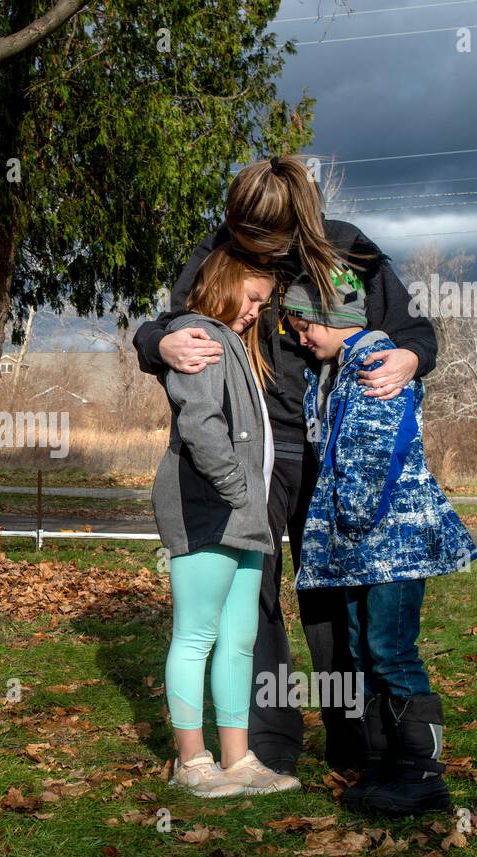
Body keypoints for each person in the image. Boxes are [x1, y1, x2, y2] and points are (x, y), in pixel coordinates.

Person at [133, 154, 439, 777]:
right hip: (256, 459)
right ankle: (265, 745)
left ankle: (358, 740)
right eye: (242, 235)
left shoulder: (350, 249)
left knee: (333, 599)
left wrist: (409, 358)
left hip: (332, 456)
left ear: (298, 222)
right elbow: (171, 327)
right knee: (257, 597)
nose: (253, 249)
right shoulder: (220, 249)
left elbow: (415, 332)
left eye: (264, 239)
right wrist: (156, 344)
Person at [283, 270, 477, 815]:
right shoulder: (331, 373)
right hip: (354, 547)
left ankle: (422, 773)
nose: (300, 338)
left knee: (391, 651)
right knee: (361, 651)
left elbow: (372, 456)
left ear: (335, 317)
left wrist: (349, 522)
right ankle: (382, 763)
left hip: (388, 541)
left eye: (305, 326)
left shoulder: (374, 366)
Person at [152, 241, 297, 798]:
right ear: (226, 280)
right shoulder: (201, 334)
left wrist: (250, 503)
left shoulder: (235, 343)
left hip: (245, 517)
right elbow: (201, 423)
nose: (257, 310)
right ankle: (192, 761)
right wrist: (240, 490)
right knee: (196, 635)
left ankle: (238, 760)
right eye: (253, 297)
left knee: (238, 639)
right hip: (208, 509)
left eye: (264, 303)